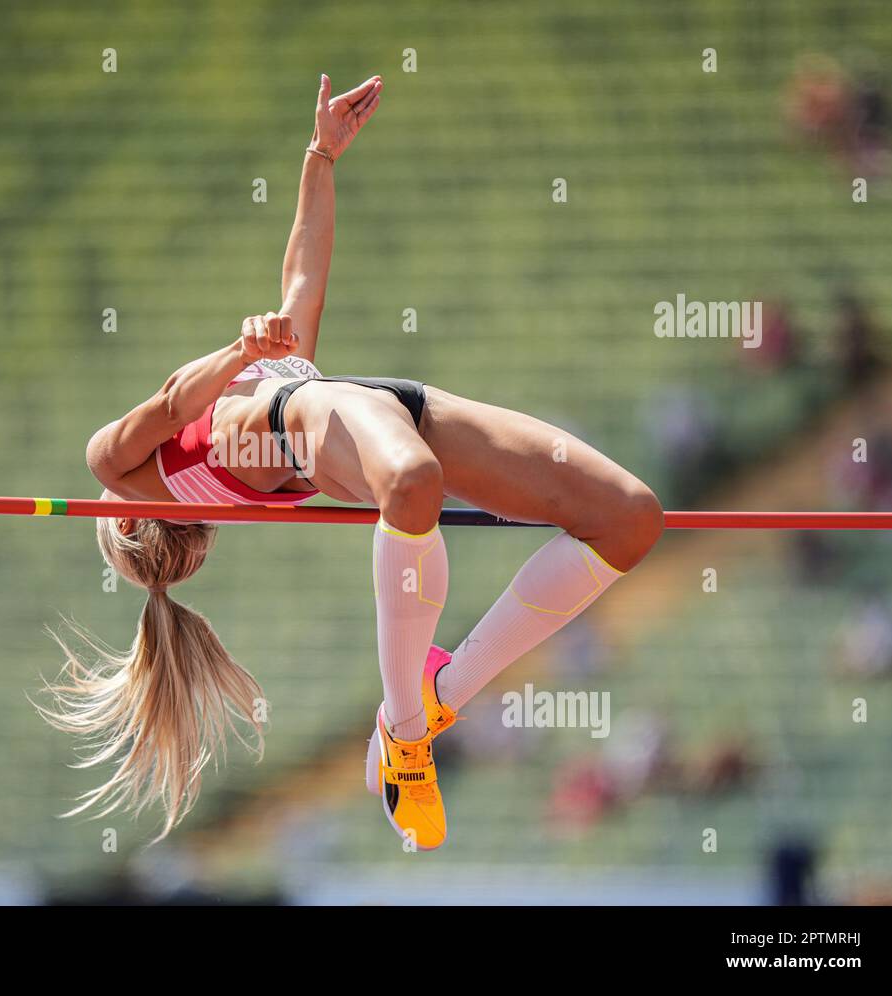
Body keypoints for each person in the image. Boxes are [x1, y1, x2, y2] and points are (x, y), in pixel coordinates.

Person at [42, 74, 664, 848]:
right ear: (136, 519)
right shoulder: (125, 470)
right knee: (411, 485)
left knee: (629, 519)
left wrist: (320, 155)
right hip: (316, 419)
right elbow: (172, 400)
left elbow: (303, 278)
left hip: (370, 407)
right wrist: (243, 348)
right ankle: (406, 734)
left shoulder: (225, 423)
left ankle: (441, 690)